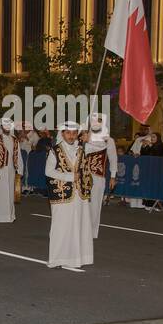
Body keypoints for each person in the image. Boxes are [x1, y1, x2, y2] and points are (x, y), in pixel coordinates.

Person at [46, 120, 105, 269]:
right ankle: (58, 258)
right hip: (61, 195)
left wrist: (89, 138)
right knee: (61, 227)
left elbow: (103, 144)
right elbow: (49, 172)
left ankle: (76, 258)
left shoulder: (81, 149)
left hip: (80, 195)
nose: (71, 136)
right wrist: (70, 177)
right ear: (62, 134)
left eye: (74, 133)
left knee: (79, 227)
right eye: (68, 133)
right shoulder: (55, 151)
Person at [85, 112, 117, 238]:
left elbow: (113, 159)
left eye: (98, 121)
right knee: (81, 204)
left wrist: (113, 176)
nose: (95, 123)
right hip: (82, 175)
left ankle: (91, 232)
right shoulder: (84, 137)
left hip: (97, 177)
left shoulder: (108, 140)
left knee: (95, 204)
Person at [0, 116, 23, 223]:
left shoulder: (15, 140)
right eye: (5, 125)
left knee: (10, 194)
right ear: (1, 126)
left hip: (11, 170)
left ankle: (10, 216)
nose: (7, 127)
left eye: (9, 125)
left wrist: (20, 171)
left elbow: (19, 156)